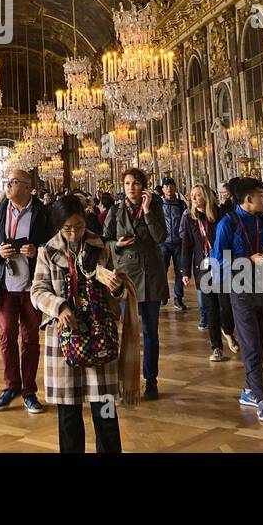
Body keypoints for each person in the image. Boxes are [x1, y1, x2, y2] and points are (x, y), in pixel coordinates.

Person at [31, 194, 134, 453]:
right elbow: (37, 291)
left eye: (79, 226)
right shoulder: (47, 252)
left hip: (100, 338)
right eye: (67, 229)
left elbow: (119, 290)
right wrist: (59, 306)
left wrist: (117, 286)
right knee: (68, 415)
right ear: (58, 227)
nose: (74, 233)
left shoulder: (103, 248)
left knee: (106, 411)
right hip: (65, 340)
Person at [0, 166, 53, 413]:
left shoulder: (43, 213)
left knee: (31, 339)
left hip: (33, 286)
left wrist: (37, 251)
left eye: (13, 181)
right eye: (7, 181)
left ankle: (29, 391)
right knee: (6, 336)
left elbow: (53, 245)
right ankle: (11, 386)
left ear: (26, 186)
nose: (7, 185)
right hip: (5, 286)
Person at [212, 177, 263, 422]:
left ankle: (249, 391)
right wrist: (250, 260)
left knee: (259, 343)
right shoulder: (227, 223)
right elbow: (218, 263)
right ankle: (262, 399)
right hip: (240, 289)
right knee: (249, 343)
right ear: (248, 199)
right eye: (262, 194)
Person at [103, 167, 167, 400]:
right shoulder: (115, 211)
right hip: (126, 277)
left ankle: (151, 380)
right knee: (126, 332)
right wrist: (118, 246)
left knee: (151, 332)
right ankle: (125, 381)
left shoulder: (155, 207)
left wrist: (148, 211)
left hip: (150, 276)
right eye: (128, 183)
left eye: (136, 183)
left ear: (144, 187)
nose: (132, 187)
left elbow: (160, 237)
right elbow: (105, 240)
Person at [181, 183, 236, 361]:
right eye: (192, 196)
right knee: (210, 307)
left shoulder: (220, 215)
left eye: (198, 195)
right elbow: (187, 245)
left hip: (221, 265)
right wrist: (185, 271)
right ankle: (216, 347)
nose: (195, 198)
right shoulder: (190, 219)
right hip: (203, 267)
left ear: (206, 195)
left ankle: (228, 330)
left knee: (226, 305)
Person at [158, 177, 188, 311]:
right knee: (161, 271)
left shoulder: (182, 205)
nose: (169, 188)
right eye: (166, 186)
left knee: (180, 272)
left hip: (178, 243)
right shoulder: (158, 204)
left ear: (175, 188)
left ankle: (178, 298)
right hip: (163, 243)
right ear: (163, 189)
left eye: (171, 186)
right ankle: (162, 295)